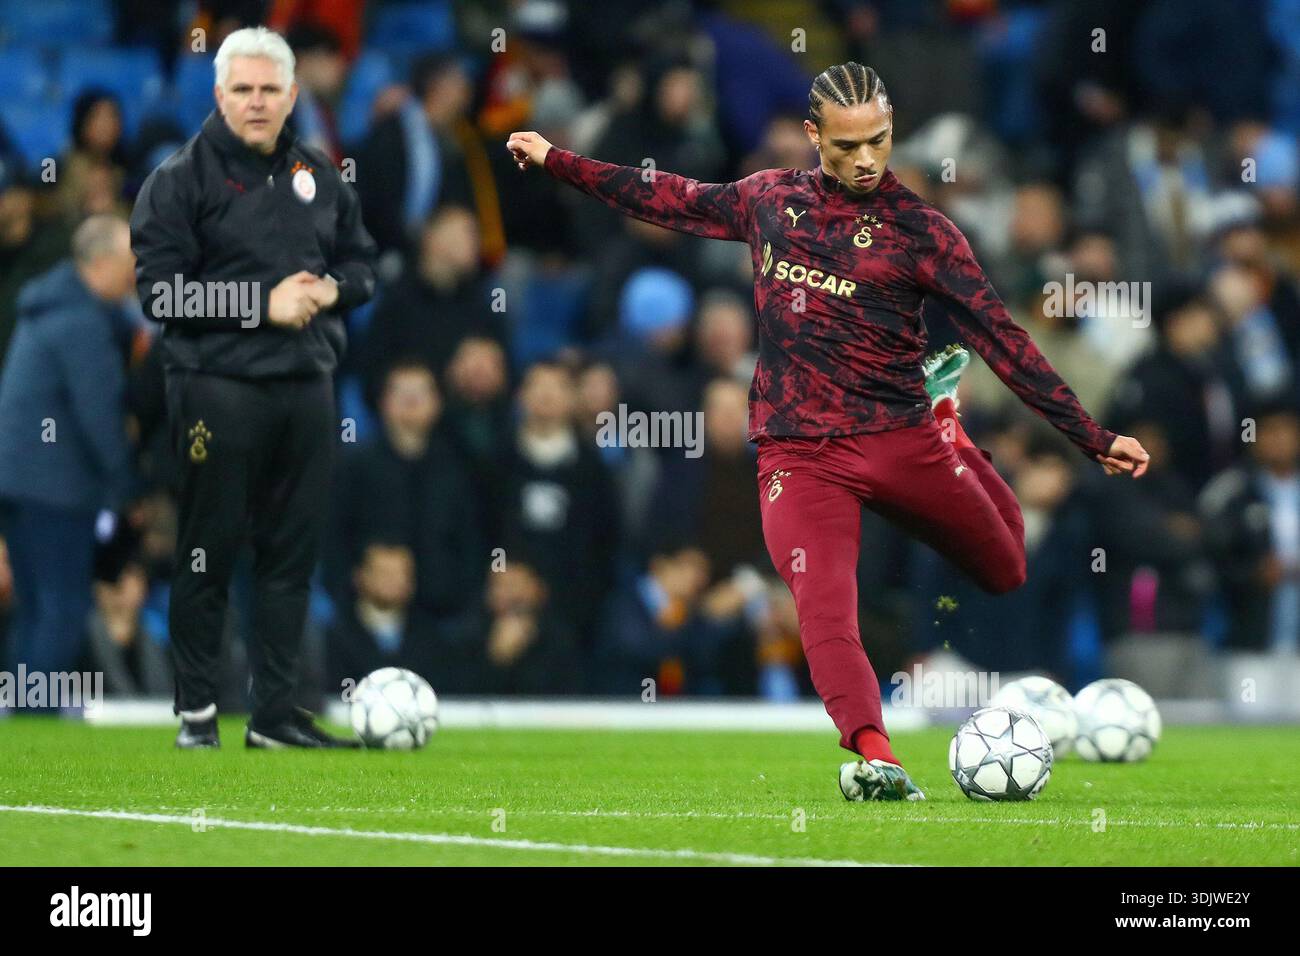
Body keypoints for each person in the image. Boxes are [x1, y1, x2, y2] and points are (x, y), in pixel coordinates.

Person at [508, 61, 1151, 800]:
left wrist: (1092, 437)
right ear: (813, 137)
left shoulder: (925, 233)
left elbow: (1004, 339)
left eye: (878, 141)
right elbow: (667, 197)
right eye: (847, 146)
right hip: (801, 452)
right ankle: (879, 757)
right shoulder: (769, 202)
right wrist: (557, 159)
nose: (867, 159)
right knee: (824, 607)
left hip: (902, 434)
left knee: (1006, 567)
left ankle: (952, 427)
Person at [130, 26, 377, 749]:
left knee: (291, 558)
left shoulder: (319, 174)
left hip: (305, 384)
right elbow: (160, 297)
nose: (258, 102)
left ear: (293, 94)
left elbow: (365, 267)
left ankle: (274, 715)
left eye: (271, 89)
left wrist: (330, 292)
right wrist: (259, 304)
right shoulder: (177, 181)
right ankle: (198, 714)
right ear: (219, 95)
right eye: (243, 89)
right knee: (208, 551)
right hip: (216, 389)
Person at [0, 215, 138, 690]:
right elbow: (99, 417)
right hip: (56, 490)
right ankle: (34, 715)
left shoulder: (48, 309)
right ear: (100, 263)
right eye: (129, 263)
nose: (134, 275)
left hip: (20, 484)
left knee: (36, 606)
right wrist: (125, 485)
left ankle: (20, 720)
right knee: (63, 607)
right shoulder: (81, 323)